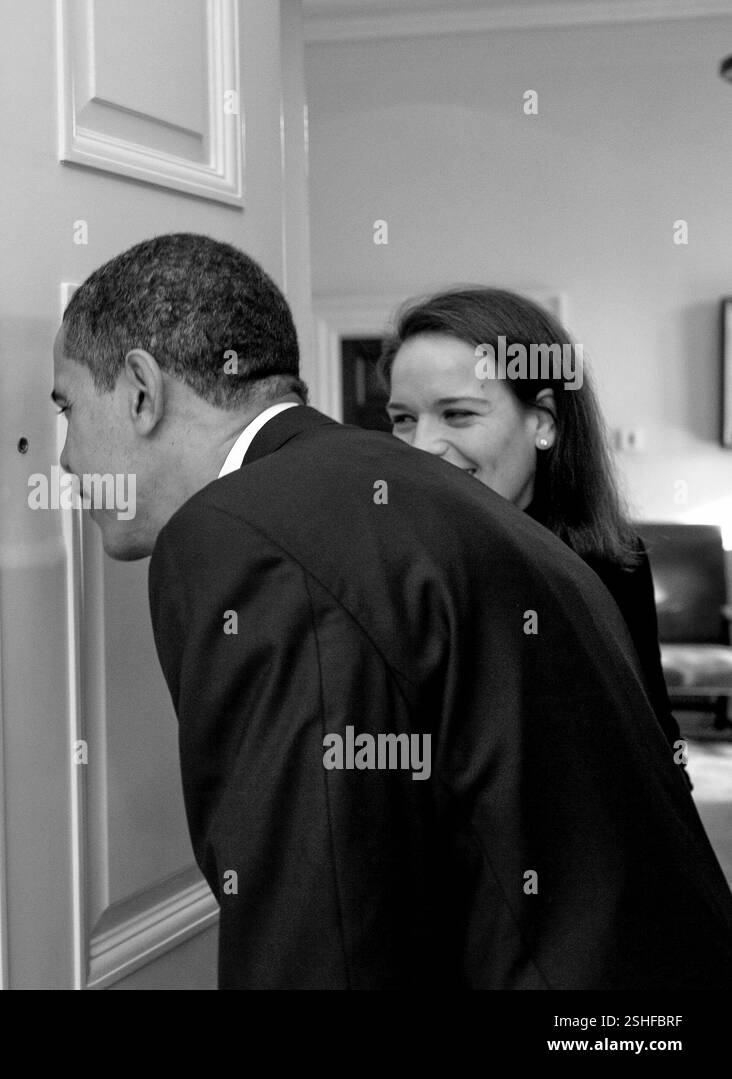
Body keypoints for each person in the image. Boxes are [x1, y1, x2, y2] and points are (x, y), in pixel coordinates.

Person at [52, 232, 732, 989]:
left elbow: (324, 926)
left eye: (68, 408)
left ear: (141, 391)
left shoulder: (240, 533)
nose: (66, 459)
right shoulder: (398, 493)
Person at [379, 288, 689, 786]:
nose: (422, 447)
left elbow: (651, 729)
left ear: (542, 421)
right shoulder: (386, 567)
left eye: (458, 413)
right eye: (403, 420)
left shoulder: (608, 563)